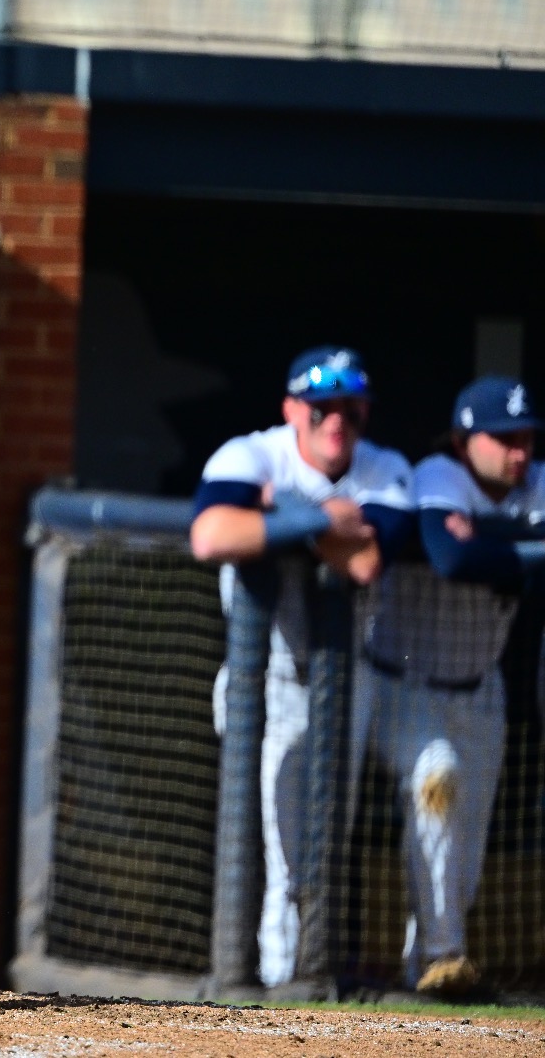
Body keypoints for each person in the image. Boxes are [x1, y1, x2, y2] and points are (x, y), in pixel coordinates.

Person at [189, 347, 414, 990]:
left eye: (349, 407)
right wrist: (320, 518)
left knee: (315, 854)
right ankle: (270, 982)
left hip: (343, 684)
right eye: (321, 407)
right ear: (293, 409)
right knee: (276, 852)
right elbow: (210, 535)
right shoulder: (251, 453)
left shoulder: (384, 467)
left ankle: (287, 987)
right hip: (266, 681)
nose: (335, 421)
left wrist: (277, 513)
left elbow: (367, 563)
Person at [378, 376, 544, 997]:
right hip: (400, 684)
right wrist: (525, 555)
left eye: (525, 437)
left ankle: (424, 965)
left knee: (465, 858)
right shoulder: (437, 477)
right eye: (501, 439)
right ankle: (443, 959)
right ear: (462, 440)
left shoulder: (536, 483)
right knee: (436, 780)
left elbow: (477, 551)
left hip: (482, 689)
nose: (517, 452)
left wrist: (497, 546)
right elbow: (450, 556)